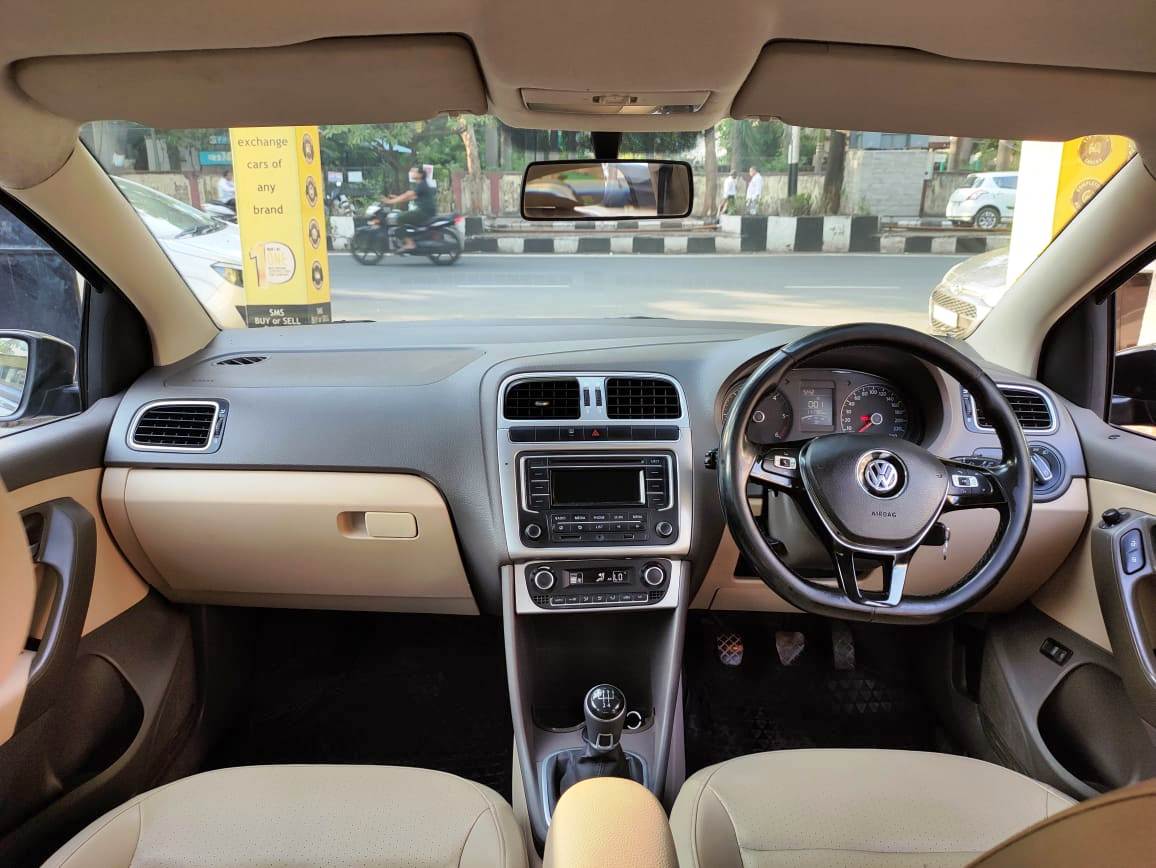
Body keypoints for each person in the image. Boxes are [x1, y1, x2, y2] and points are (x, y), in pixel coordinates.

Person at [380, 166, 437, 251]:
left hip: (424, 212)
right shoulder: (421, 184)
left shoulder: (421, 184)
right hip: (426, 211)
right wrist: (397, 197)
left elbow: (408, 195)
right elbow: (410, 197)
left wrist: (390, 202)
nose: (412, 173)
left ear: (420, 175)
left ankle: (409, 243)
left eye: (415, 172)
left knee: (400, 218)